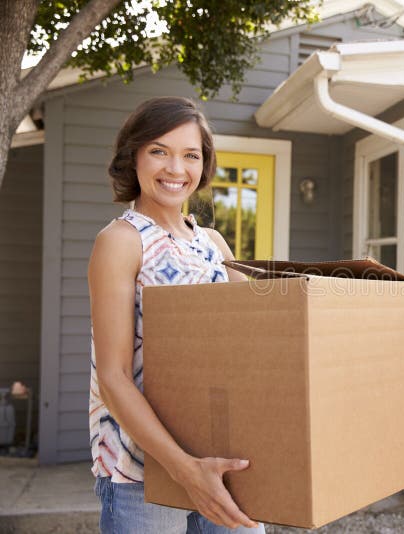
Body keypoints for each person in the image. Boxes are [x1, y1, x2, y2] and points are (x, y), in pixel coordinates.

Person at [87, 96, 261, 534]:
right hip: (143, 473)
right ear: (135, 156)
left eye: (191, 155)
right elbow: (113, 377)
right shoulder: (121, 241)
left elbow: (253, 343)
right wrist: (184, 469)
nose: (175, 169)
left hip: (221, 460)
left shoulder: (215, 244)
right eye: (159, 151)